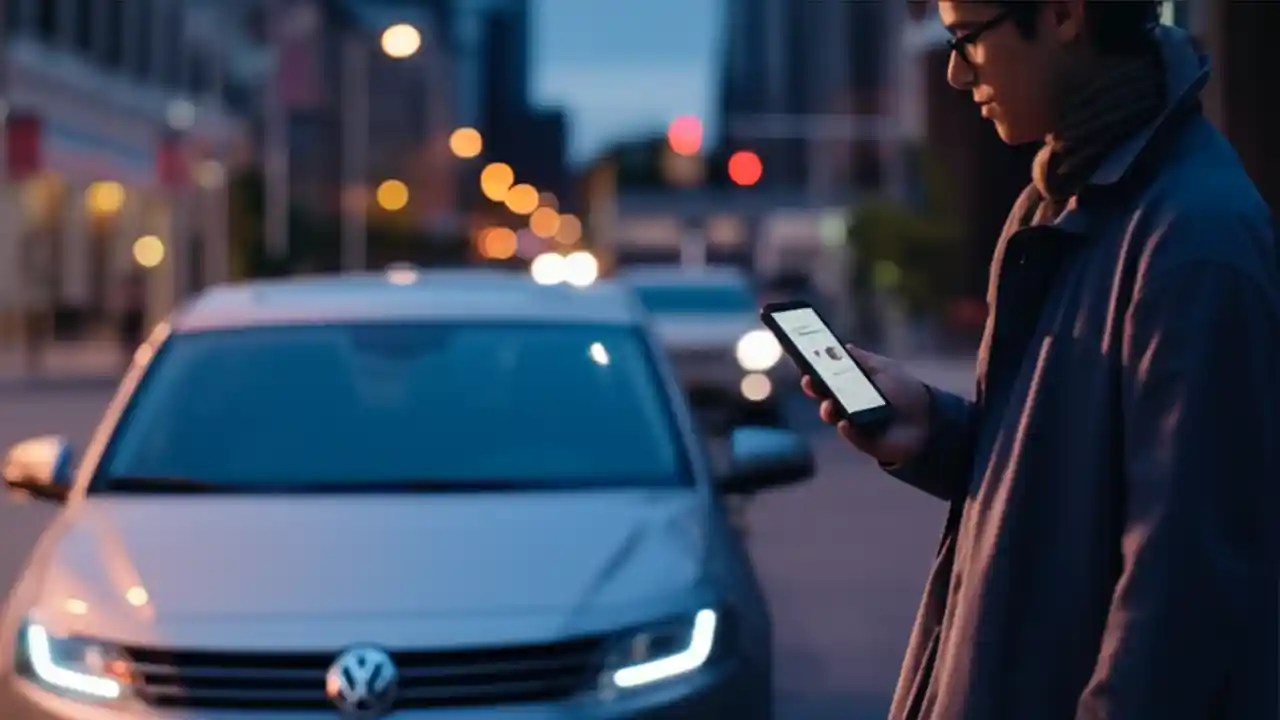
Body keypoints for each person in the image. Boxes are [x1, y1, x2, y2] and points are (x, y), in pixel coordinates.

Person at [801, 2, 1279, 718]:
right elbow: (1067, 484)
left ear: (1061, 13)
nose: (958, 74)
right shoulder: (1058, 204)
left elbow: (1180, 600)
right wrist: (934, 430)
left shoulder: (1195, 243)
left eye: (967, 38)